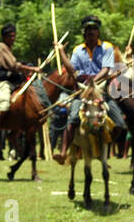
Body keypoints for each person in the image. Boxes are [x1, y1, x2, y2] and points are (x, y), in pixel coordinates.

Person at [54, 16, 126, 165]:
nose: (91, 32)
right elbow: (72, 70)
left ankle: (105, 147)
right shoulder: (77, 50)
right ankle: (63, 153)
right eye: (88, 29)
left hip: (101, 91)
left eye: (94, 29)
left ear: (98, 32)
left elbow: (106, 69)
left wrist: (95, 81)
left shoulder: (107, 47)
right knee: (73, 117)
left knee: (119, 123)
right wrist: (61, 52)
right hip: (82, 91)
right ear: (84, 32)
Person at [0, 23, 42, 155]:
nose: (13, 39)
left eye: (14, 36)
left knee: (25, 107)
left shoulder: (8, 48)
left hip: (12, 82)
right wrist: (31, 69)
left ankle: (14, 133)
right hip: (2, 82)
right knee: (4, 105)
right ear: (4, 37)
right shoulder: (1, 47)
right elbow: (14, 65)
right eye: (10, 36)